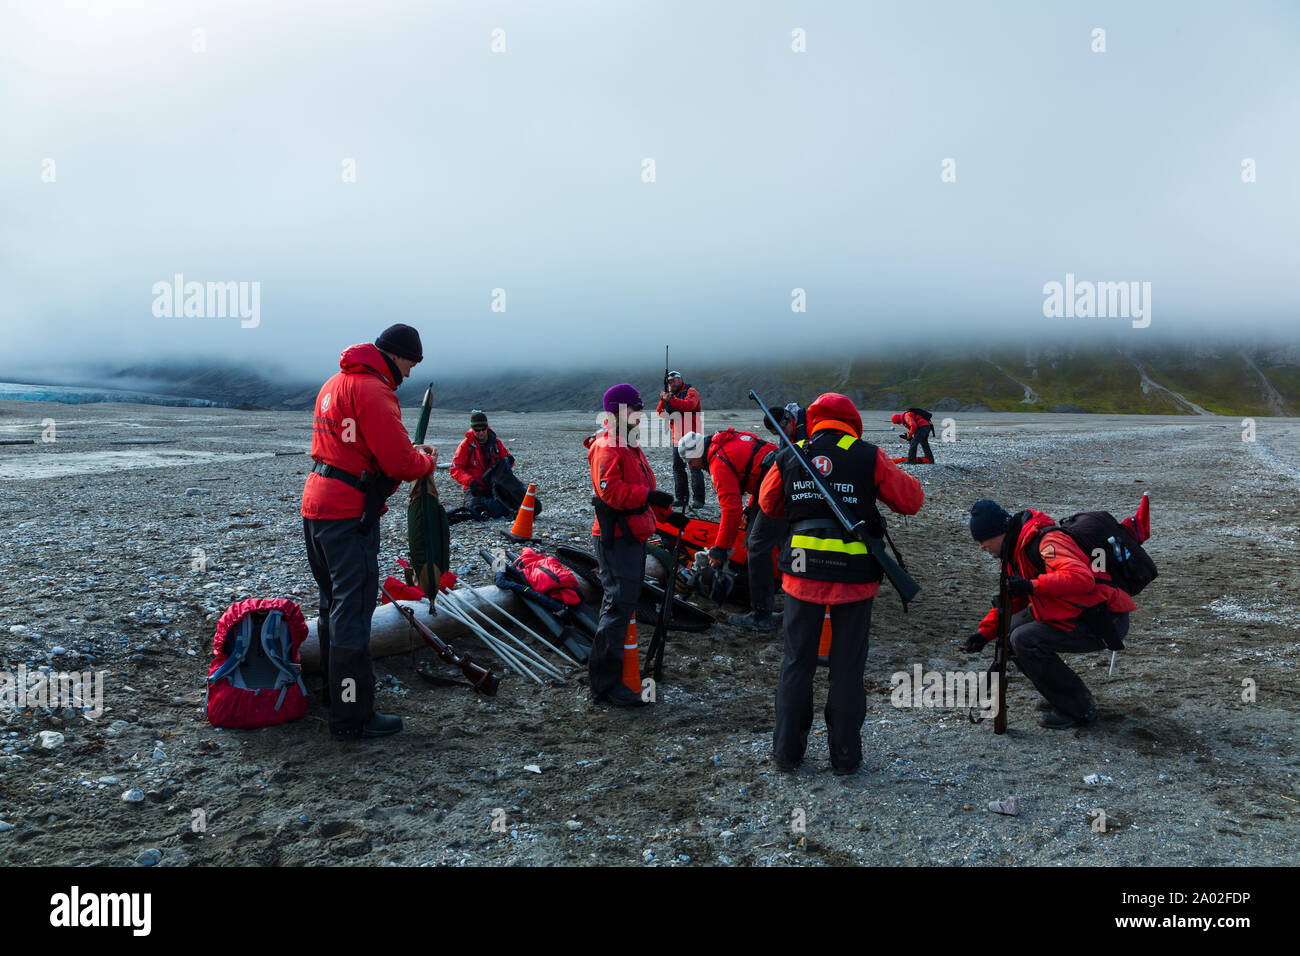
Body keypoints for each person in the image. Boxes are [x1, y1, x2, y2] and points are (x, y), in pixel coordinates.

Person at [758, 392, 924, 774]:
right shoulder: (868, 454)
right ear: (852, 421)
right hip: (854, 578)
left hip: (801, 575)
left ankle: (787, 754)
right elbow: (911, 501)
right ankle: (845, 758)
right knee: (847, 668)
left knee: (796, 663)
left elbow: (768, 505)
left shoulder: (793, 452)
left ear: (813, 420)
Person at [301, 324, 438, 741]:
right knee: (354, 612)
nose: (410, 374)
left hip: (317, 506)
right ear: (395, 356)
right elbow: (398, 461)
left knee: (332, 605)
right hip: (347, 514)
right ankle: (352, 717)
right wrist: (425, 461)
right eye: (410, 364)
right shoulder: (374, 390)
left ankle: (335, 696)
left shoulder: (336, 382)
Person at [964, 499, 1136, 729]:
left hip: (1102, 619)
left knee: (1023, 639)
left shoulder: (1047, 543)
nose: (981, 546)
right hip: (1075, 611)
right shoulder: (1016, 549)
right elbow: (1013, 599)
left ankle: (1079, 709)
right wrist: (985, 633)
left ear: (1000, 532)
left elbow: (1081, 579)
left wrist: (1032, 586)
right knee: (1010, 632)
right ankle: (1061, 697)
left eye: (983, 540)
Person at [585, 384, 675, 707]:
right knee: (617, 607)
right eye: (635, 408)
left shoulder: (629, 443)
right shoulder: (609, 445)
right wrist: (649, 498)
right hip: (616, 539)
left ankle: (616, 678)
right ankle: (604, 686)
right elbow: (612, 491)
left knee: (623, 606)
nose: (641, 413)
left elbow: (642, 486)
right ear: (619, 412)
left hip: (632, 537)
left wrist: (667, 514)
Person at [677, 429, 784, 631]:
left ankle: (762, 615)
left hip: (780, 488)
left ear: (697, 454)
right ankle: (771, 605)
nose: (691, 466)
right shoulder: (727, 440)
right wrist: (752, 506)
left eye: (690, 461)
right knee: (763, 541)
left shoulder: (718, 461)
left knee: (757, 547)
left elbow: (731, 509)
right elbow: (761, 469)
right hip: (780, 481)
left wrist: (720, 549)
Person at [449, 410, 535, 520]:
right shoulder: (466, 445)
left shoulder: (496, 443)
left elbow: (506, 464)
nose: (480, 433)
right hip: (475, 488)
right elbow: (455, 469)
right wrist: (470, 482)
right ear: (472, 429)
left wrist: (510, 460)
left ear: (487, 427)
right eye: (477, 430)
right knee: (475, 509)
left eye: (483, 429)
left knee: (513, 500)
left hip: (495, 485)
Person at [656, 370, 705, 510]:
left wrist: (670, 399)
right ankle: (681, 498)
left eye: (674, 380)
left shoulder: (691, 391)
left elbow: (689, 405)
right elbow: (660, 413)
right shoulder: (671, 396)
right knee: (678, 468)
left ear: (680, 379)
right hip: (677, 438)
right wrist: (663, 399)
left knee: (694, 467)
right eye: (670, 382)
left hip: (692, 436)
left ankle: (698, 499)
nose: (672, 383)